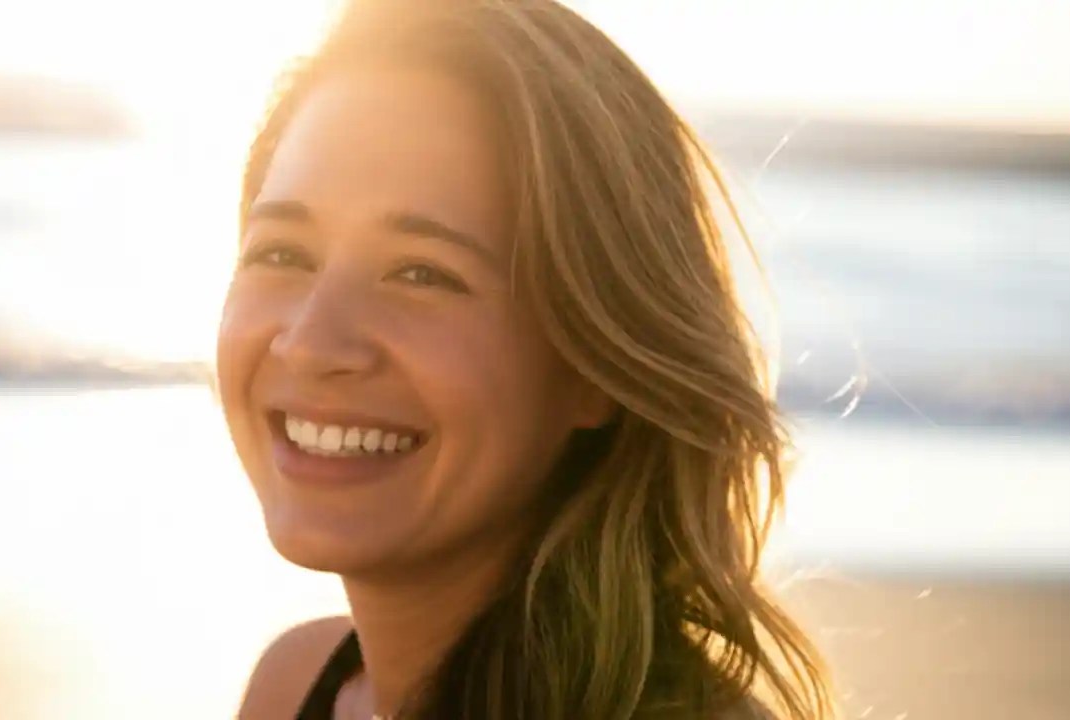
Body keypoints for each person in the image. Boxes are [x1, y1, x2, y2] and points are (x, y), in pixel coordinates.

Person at [217, 0, 835, 717]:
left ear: (594, 363)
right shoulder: (294, 685)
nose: (311, 342)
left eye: (422, 273)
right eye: (282, 253)